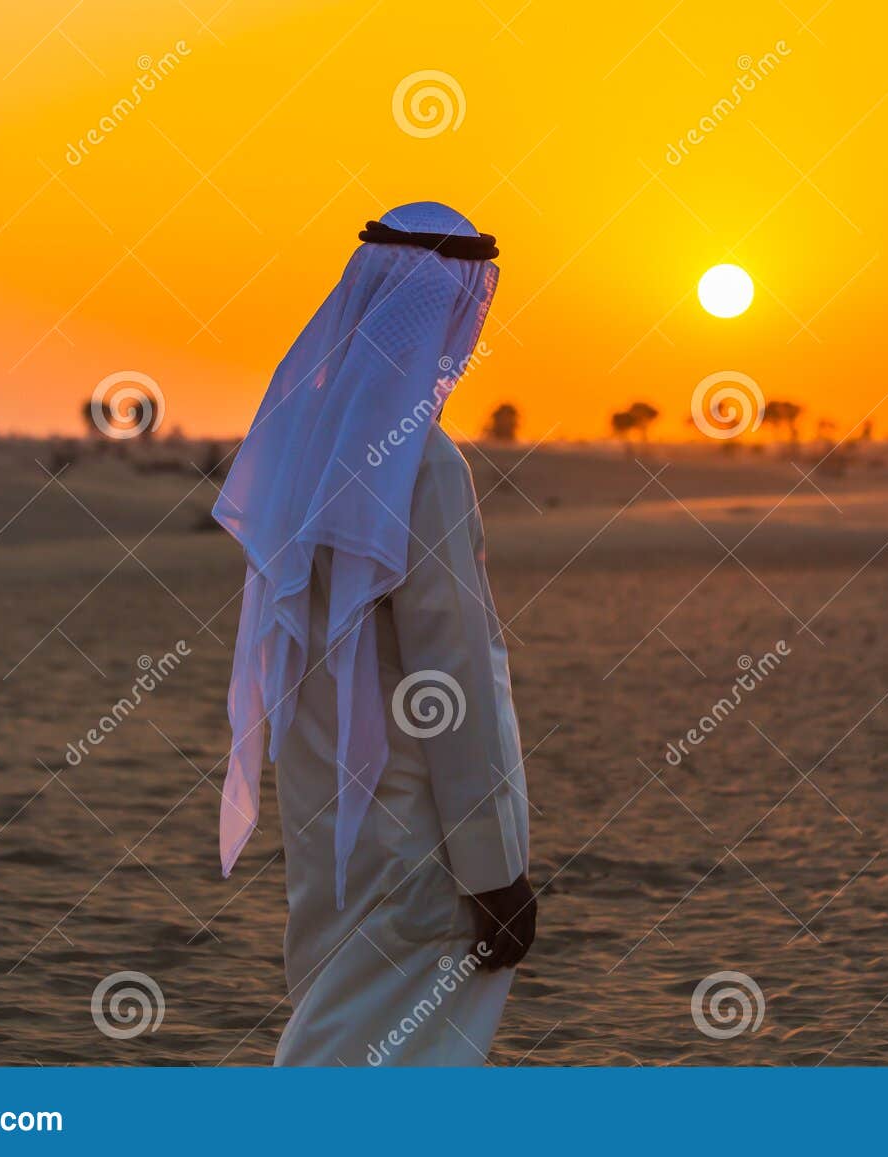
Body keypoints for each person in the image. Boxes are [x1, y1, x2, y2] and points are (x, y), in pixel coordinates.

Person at [212, 201, 535, 1065]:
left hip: (328, 830)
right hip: (419, 845)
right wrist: (493, 868)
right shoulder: (424, 466)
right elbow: (452, 680)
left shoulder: (298, 446)